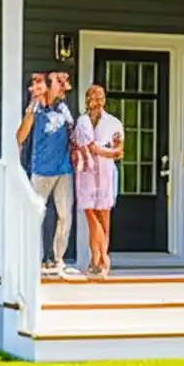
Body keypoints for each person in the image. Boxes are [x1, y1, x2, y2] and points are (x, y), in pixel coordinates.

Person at [15, 71, 77, 277]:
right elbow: (20, 136)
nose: (62, 88)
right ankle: (35, 258)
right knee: (36, 215)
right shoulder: (37, 109)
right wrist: (32, 108)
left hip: (64, 170)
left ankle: (58, 259)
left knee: (65, 215)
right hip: (41, 170)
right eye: (58, 84)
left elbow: (72, 133)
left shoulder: (63, 108)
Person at [72, 84, 123, 279]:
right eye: (93, 97)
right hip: (86, 172)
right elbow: (78, 145)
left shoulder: (113, 123)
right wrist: (87, 151)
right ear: (87, 100)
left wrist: (99, 151)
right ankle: (99, 257)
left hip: (105, 171)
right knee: (90, 215)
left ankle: (99, 261)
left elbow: (118, 151)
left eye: (100, 97)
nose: (96, 101)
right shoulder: (82, 122)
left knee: (103, 216)